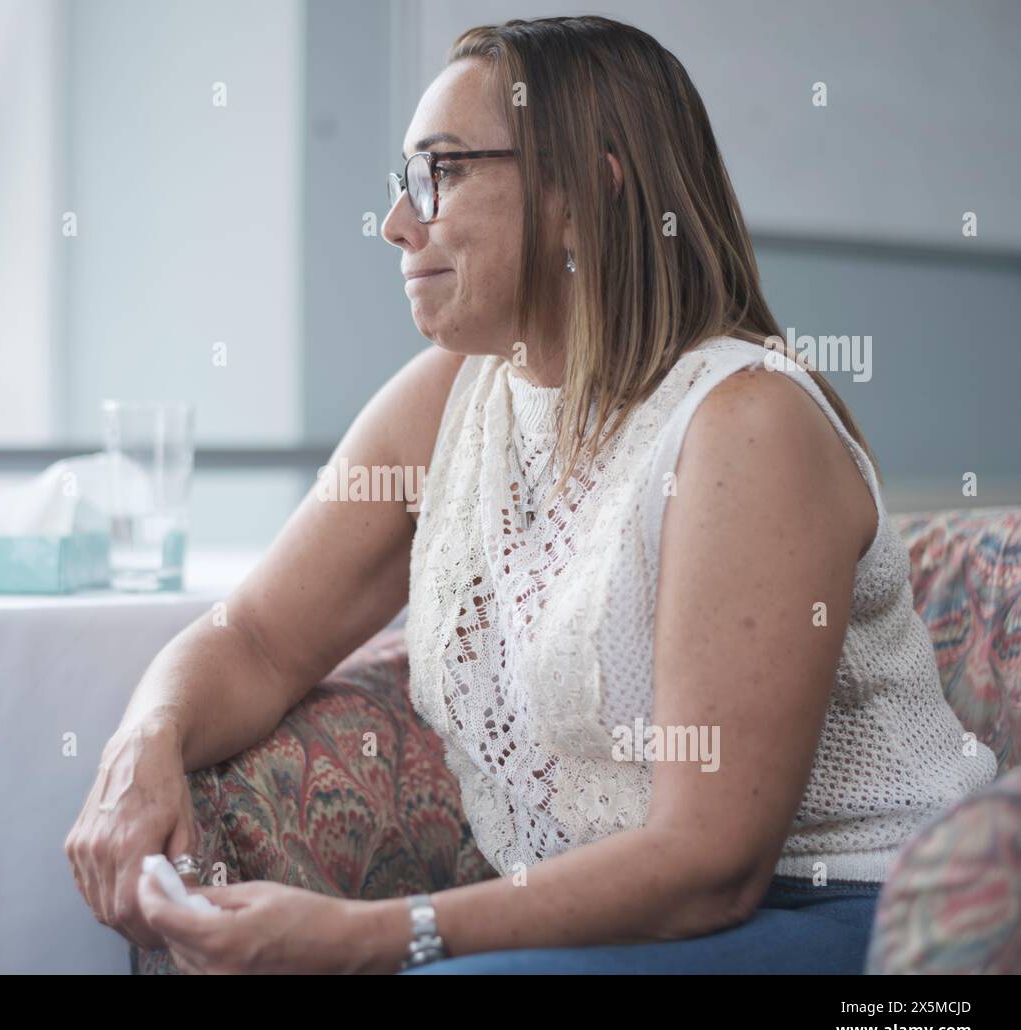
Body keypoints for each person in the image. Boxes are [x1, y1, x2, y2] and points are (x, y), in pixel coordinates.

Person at [64, 14, 997, 975]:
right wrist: (146, 738)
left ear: (582, 192)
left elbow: (710, 864)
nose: (397, 223)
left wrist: (369, 937)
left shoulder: (744, 424)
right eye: (403, 179)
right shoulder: (454, 396)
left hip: (857, 921)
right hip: (601, 922)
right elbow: (256, 636)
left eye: (445, 171)